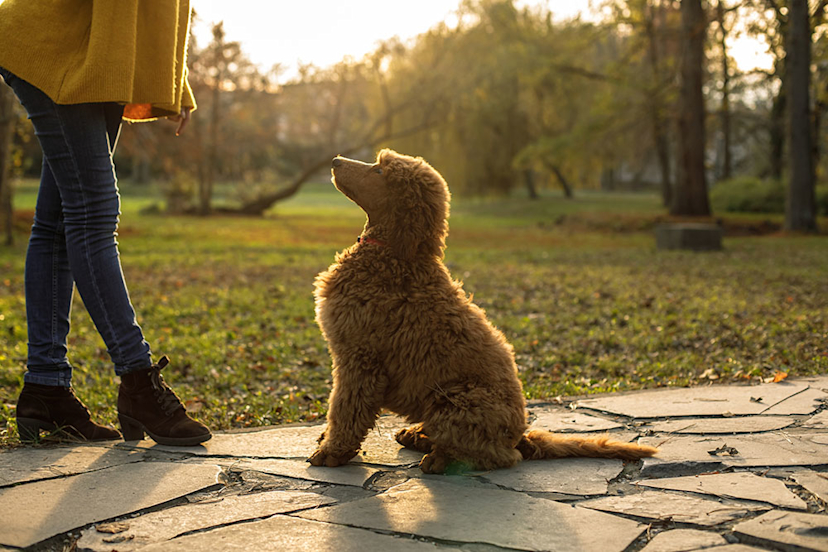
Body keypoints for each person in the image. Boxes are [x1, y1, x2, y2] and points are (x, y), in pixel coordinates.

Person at [0, 0, 211, 446]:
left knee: (57, 222)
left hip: (104, 63)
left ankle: (46, 391)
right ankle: (138, 381)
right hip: (63, 51)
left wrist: (176, 81)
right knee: (93, 214)